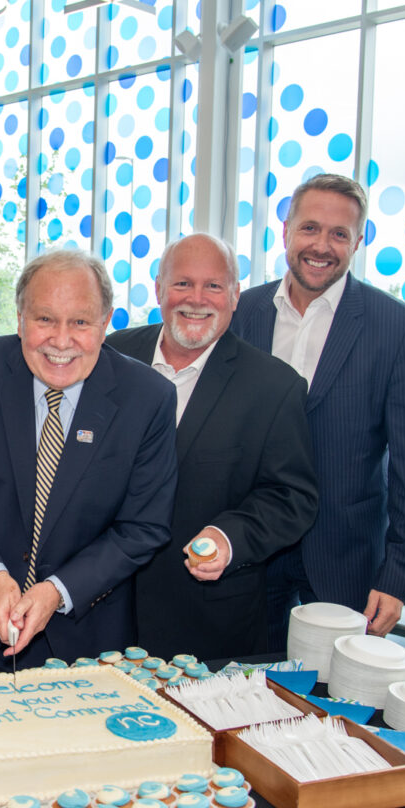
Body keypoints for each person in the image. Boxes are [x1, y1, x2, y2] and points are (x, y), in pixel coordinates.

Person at [0, 249, 177, 672]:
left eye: (80, 321)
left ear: (105, 322)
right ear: (20, 318)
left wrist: (57, 590)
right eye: (44, 319)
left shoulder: (148, 397)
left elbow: (143, 527)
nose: (61, 341)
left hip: (85, 638)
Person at [232, 173, 405, 643]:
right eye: (309, 228)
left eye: (338, 234)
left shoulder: (399, 329)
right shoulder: (242, 313)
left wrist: (397, 575)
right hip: (249, 553)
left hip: (346, 558)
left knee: (336, 703)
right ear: (285, 231)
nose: (321, 245)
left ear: (358, 241)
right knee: (238, 690)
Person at [108, 233, 318, 658]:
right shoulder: (110, 354)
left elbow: (292, 497)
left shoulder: (274, 387)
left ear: (235, 295)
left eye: (214, 286)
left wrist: (229, 537)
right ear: (159, 290)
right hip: (100, 609)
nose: (196, 299)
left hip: (205, 625)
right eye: (182, 284)